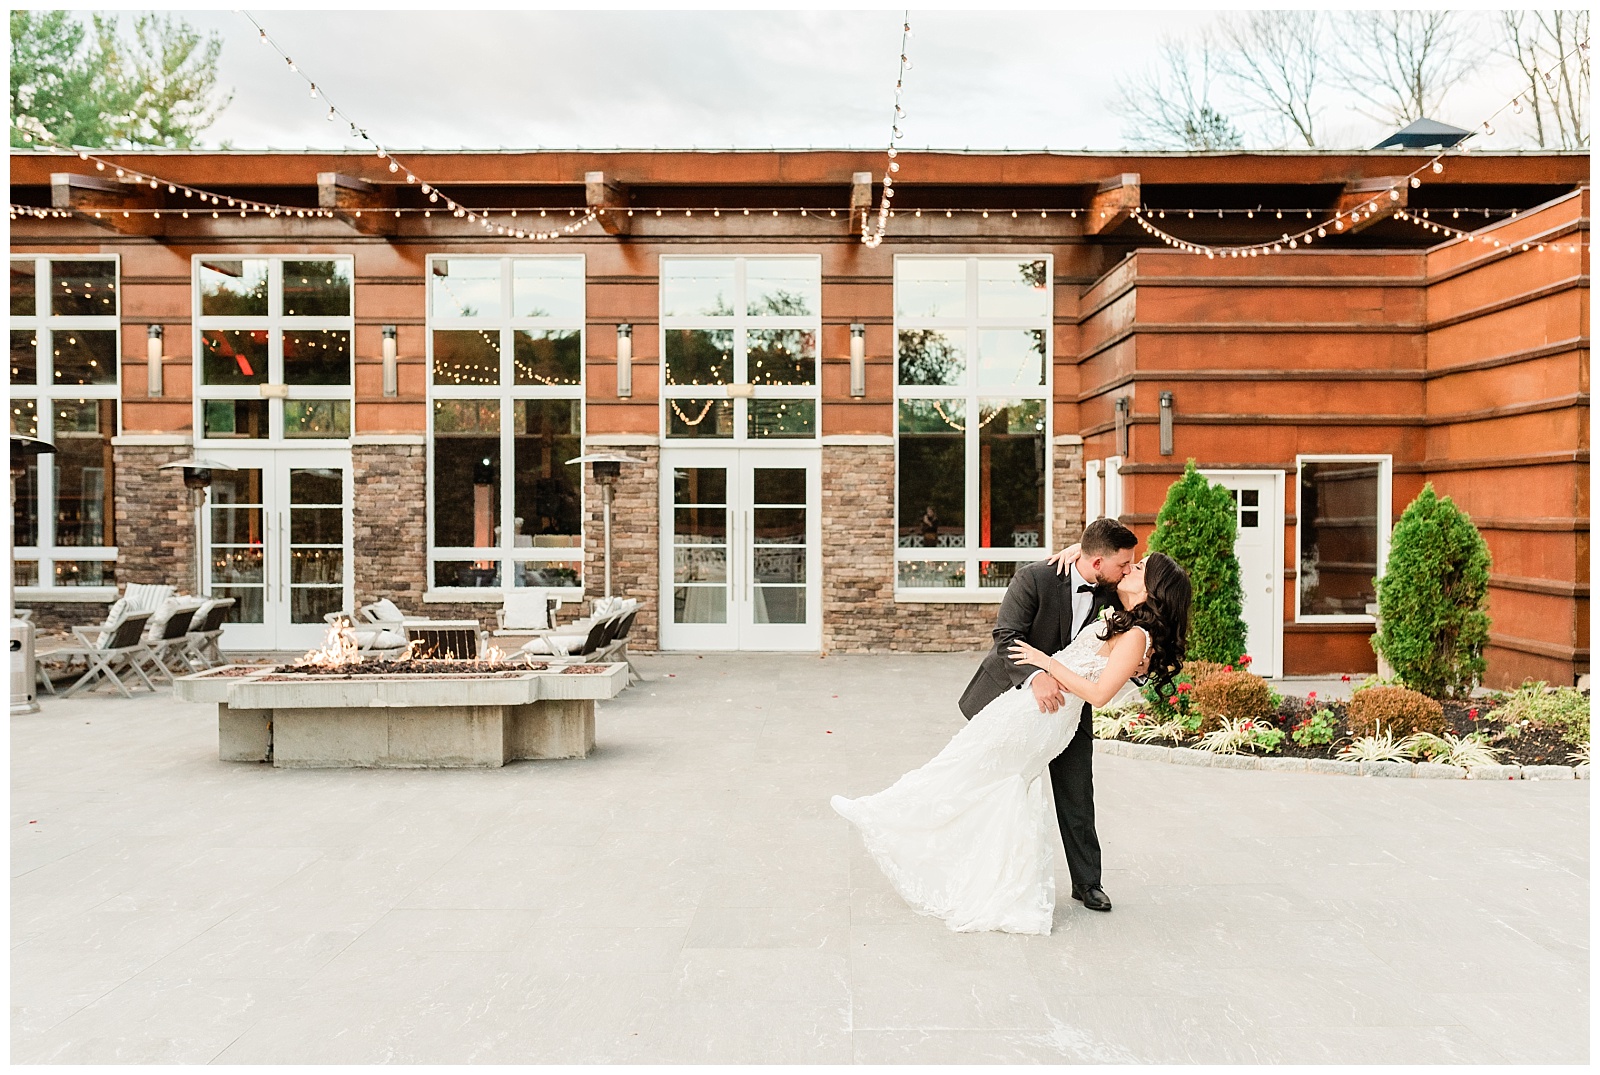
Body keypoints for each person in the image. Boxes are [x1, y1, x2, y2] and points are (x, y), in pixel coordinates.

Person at [831, 545, 1191, 935]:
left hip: (1046, 716)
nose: (1128, 570)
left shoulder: (1135, 631)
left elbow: (1101, 692)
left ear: (1151, 588)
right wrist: (1078, 547)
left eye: (1137, 568)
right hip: (1027, 705)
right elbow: (1018, 628)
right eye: (1127, 563)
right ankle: (990, 876)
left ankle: (882, 814)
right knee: (988, 782)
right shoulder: (1094, 597)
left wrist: (1045, 661)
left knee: (972, 773)